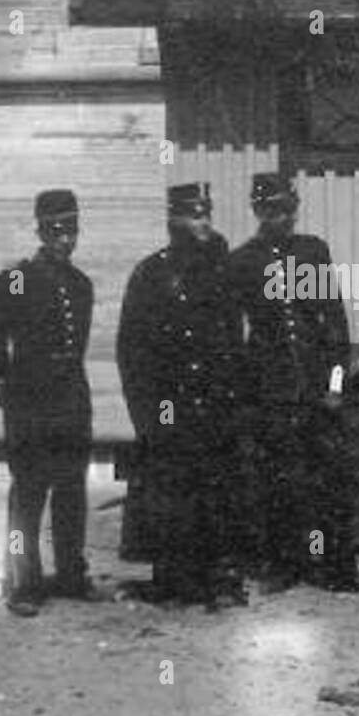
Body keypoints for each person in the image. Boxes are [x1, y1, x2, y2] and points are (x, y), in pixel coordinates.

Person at [227, 172, 359, 592]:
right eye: (273, 209)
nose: (283, 217)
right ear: (257, 211)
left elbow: (336, 324)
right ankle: (283, 567)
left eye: (288, 208)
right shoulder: (243, 262)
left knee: (329, 480)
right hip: (270, 391)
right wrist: (246, 391)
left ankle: (337, 568)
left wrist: (336, 386)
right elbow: (235, 332)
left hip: (317, 388)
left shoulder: (312, 253)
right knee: (278, 481)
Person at [116, 183, 246, 608]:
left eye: (206, 213)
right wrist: (145, 413)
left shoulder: (220, 270)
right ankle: (173, 578)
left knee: (216, 488)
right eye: (195, 215)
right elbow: (131, 351)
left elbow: (233, 335)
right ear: (173, 220)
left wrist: (231, 393)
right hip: (169, 402)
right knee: (171, 488)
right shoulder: (150, 274)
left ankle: (218, 578)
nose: (204, 222)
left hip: (213, 398)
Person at [0, 189, 96, 617]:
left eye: (73, 230)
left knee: (71, 492)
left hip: (72, 408)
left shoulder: (82, 286)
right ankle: (23, 581)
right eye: (58, 231)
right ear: (42, 231)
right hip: (30, 408)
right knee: (27, 497)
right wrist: (7, 395)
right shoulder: (17, 280)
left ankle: (70, 574)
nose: (67, 240)